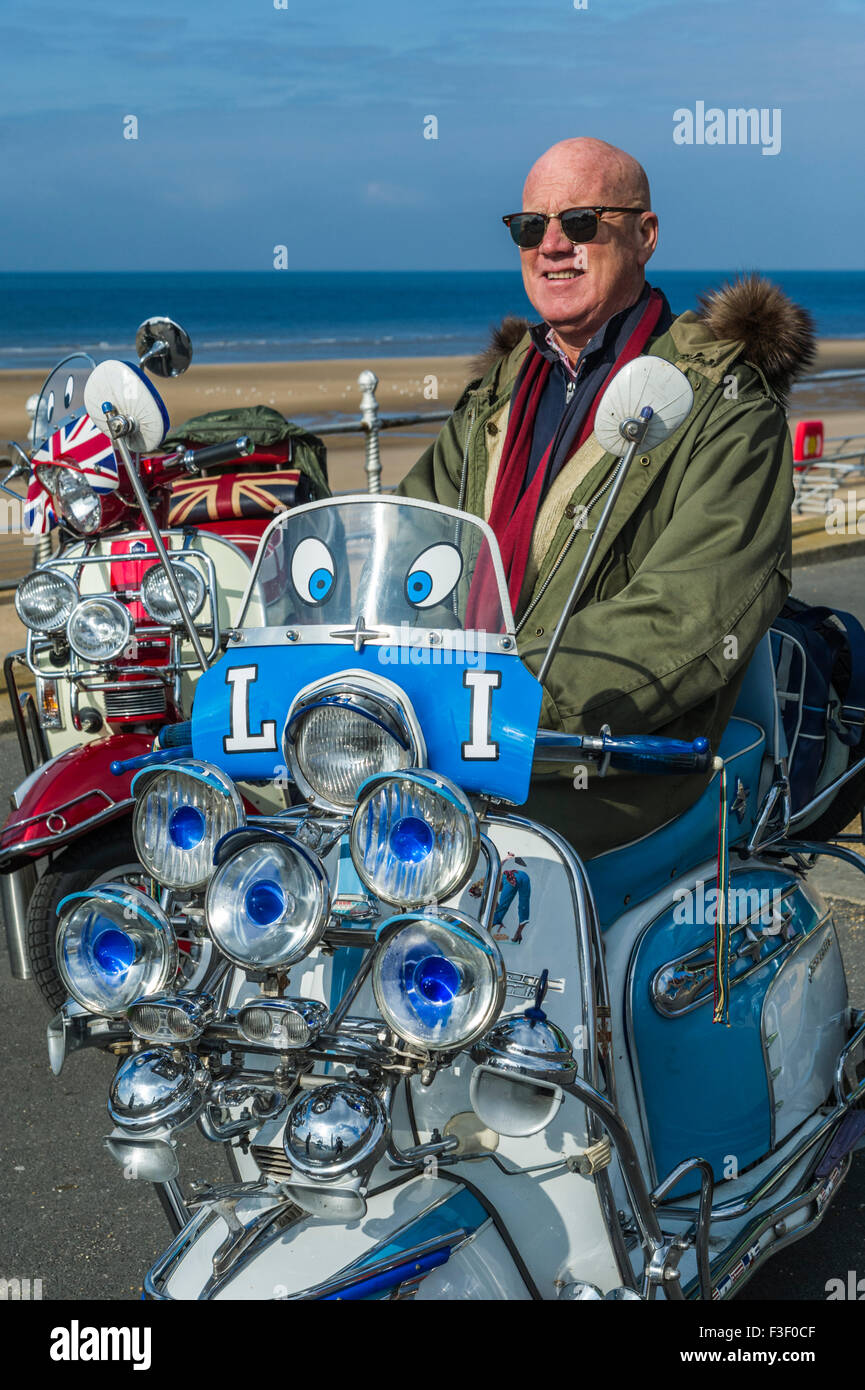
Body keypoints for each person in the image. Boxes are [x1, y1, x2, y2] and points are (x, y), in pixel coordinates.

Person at [397, 137, 815, 858]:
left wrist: (494, 704)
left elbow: (689, 611)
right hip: (449, 736)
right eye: (531, 227)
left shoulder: (726, 405)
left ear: (644, 235)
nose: (553, 245)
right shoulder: (495, 397)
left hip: (605, 766)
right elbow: (409, 542)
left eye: (582, 222)